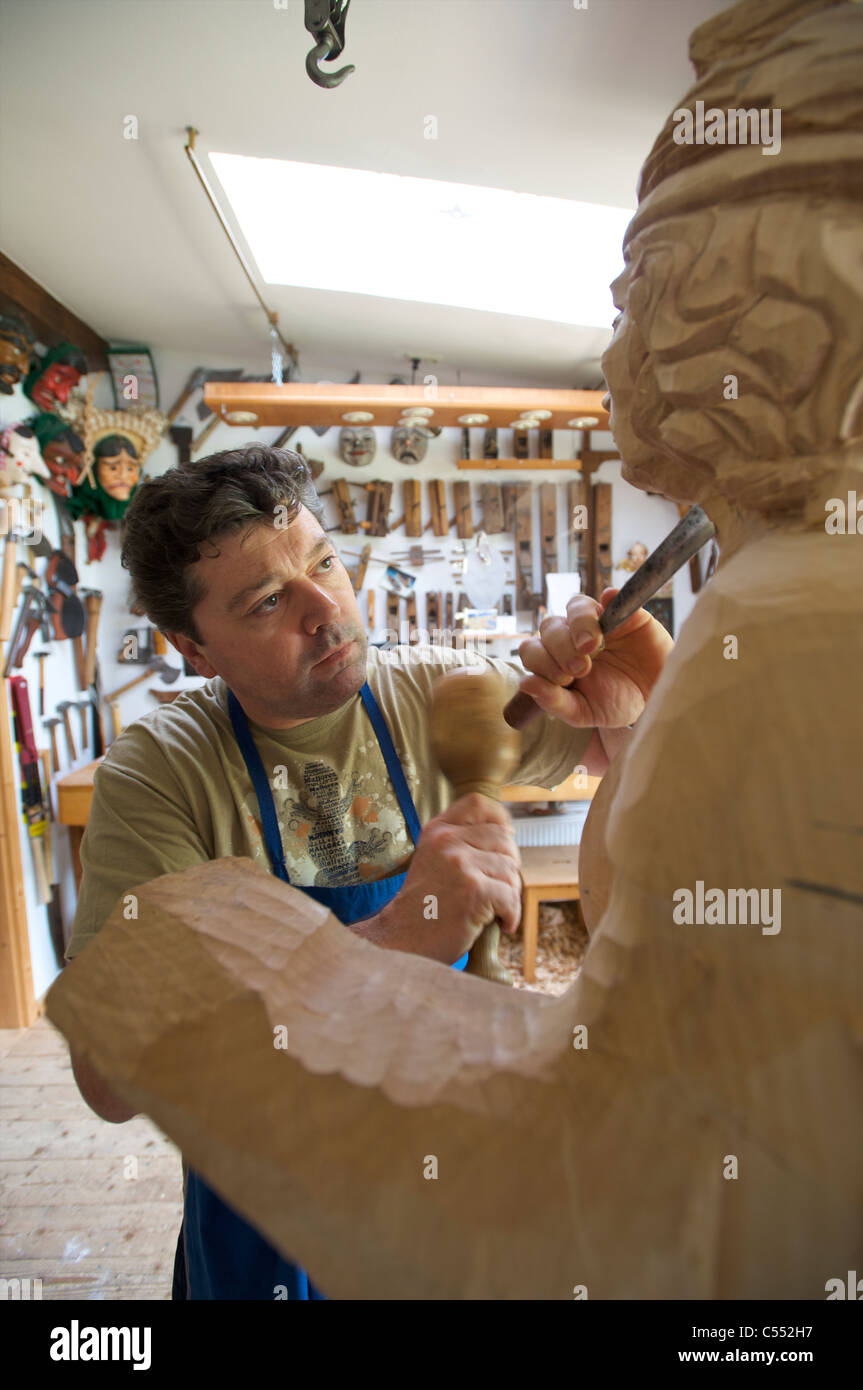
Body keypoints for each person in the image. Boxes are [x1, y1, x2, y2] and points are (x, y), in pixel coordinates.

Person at [65, 444, 672, 1300]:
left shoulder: (438, 694)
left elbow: (632, 769)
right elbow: (108, 1076)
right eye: (269, 600)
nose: (326, 610)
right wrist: (391, 939)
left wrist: (637, 705)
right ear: (193, 648)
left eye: (325, 563)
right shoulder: (160, 776)